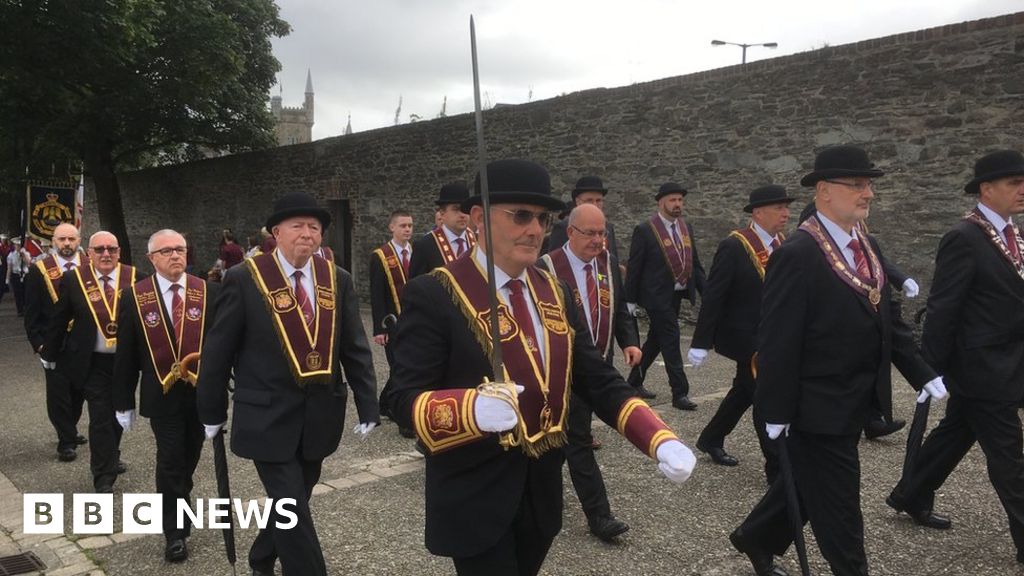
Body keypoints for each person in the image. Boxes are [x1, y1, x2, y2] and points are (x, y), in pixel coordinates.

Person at [384, 159, 696, 576]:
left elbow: (595, 377)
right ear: (478, 218)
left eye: (543, 219)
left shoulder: (555, 290)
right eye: (520, 215)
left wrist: (656, 437)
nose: (534, 229)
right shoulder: (435, 292)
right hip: (475, 495)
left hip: (542, 494)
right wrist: (469, 409)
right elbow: (400, 398)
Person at [729, 145, 945, 576]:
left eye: (869, 186)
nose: (868, 194)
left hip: (856, 400)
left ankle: (756, 536)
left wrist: (921, 372)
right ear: (824, 191)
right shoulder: (799, 254)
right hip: (816, 408)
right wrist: (774, 408)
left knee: (812, 487)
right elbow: (778, 340)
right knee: (841, 511)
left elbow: (886, 317)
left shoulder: (866, 243)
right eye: (858, 185)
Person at [197, 192, 379, 576]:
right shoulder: (245, 278)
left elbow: (354, 346)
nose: (307, 234)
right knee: (292, 506)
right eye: (297, 226)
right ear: (276, 233)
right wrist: (211, 410)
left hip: (320, 414)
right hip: (266, 415)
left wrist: (368, 403)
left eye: (314, 227)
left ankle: (262, 558)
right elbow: (218, 350)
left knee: (292, 500)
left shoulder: (337, 279)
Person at [887, 149, 1024, 565]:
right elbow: (945, 308)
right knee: (1009, 456)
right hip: (983, 367)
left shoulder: (1012, 233)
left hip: (1009, 359)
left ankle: (910, 493)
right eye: (1014, 183)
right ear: (987, 189)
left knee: (958, 431)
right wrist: (930, 369)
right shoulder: (964, 237)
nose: (1023, 190)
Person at [537, 203, 641, 542]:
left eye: (603, 233)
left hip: (597, 368)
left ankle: (588, 513)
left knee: (573, 440)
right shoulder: (547, 267)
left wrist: (628, 340)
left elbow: (618, 306)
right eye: (591, 233)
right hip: (559, 374)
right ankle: (597, 515)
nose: (599, 240)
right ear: (570, 233)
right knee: (568, 442)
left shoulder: (607, 263)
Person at [112, 229, 217, 563]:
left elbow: (223, 345)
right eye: (167, 251)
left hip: (200, 395)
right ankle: (175, 532)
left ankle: (179, 500)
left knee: (189, 460)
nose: (175, 255)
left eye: (180, 249)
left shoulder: (209, 292)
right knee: (170, 459)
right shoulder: (134, 296)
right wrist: (123, 400)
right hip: (162, 394)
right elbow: (125, 354)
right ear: (151, 258)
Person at [688, 185, 794, 477]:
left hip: (770, 336)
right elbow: (714, 296)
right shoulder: (734, 245)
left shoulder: (782, 243)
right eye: (779, 208)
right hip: (745, 338)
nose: (786, 214)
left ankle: (711, 437)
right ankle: (777, 466)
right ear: (758, 213)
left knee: (744, 391)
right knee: (764, 397)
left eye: (787, 208)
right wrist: (701, 342)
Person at [797, 199, 920, 440]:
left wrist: (900, 278)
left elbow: (874, 260)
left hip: (868, 302)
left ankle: (872, 419)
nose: (868, 195)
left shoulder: (859, 229)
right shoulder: (816, 224)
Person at [42, 231, 136, 493]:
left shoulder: (134, 278)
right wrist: (49, 353)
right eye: (100, 249)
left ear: (119, 252)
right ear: (90, 253)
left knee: (120, 412)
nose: (106, 254)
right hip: (92, 363)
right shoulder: (74, 279)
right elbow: (60, 318)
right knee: (101, 417)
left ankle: (111, 454)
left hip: (124, 362)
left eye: (111, 249)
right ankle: (103, 476)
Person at [624, 182, 706, 407]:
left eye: (680, 200)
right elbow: (635, 265)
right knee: (671, 338)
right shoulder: (645, 230)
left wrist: (706, 294)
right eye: (673, 200)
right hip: (655, 296)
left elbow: (695, 264)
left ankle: (633, 382)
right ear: (661, 202)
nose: (678, 204)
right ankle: (680, 393)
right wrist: (629, 299)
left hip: (676, 295)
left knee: (656, 341)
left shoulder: (685, 227)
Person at [24, 223, 88, 462]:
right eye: (62, 239)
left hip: (83, 341)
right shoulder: (39, 270)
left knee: (79, 391)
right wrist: (38, 343)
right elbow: (32, 311)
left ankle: (69, 427)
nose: (67, 244)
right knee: (59, 393)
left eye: (71, 239)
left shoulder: (90, 267)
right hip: (54, 342)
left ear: (79, 239)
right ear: (53, 241)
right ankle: (66, 440)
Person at [407, 182, 475, 278]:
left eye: (466, 209)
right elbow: (415, 289)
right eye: (456, 209)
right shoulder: (425, 246)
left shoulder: (478, 241)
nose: (462, 214)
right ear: (442, 213)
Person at [545, 176, 620, 259]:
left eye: (598, 200)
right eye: (589, 200)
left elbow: (612, 259)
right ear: (578, 202)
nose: (594, 205)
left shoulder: (608, 227)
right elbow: (555, 261)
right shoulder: (563, 227)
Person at [6, 237, 30, 315]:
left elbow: (28, 264)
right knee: (17, 293)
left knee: (25, 293)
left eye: (19, 245)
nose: (18, 247)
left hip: (25, 275)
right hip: (16, 275)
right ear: (14, 246)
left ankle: (26, 308)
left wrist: (23, 256)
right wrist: (7, 278)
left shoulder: (26, 253)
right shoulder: (11, 255)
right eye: (16, 245)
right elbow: (9, 267)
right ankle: (20, 310)